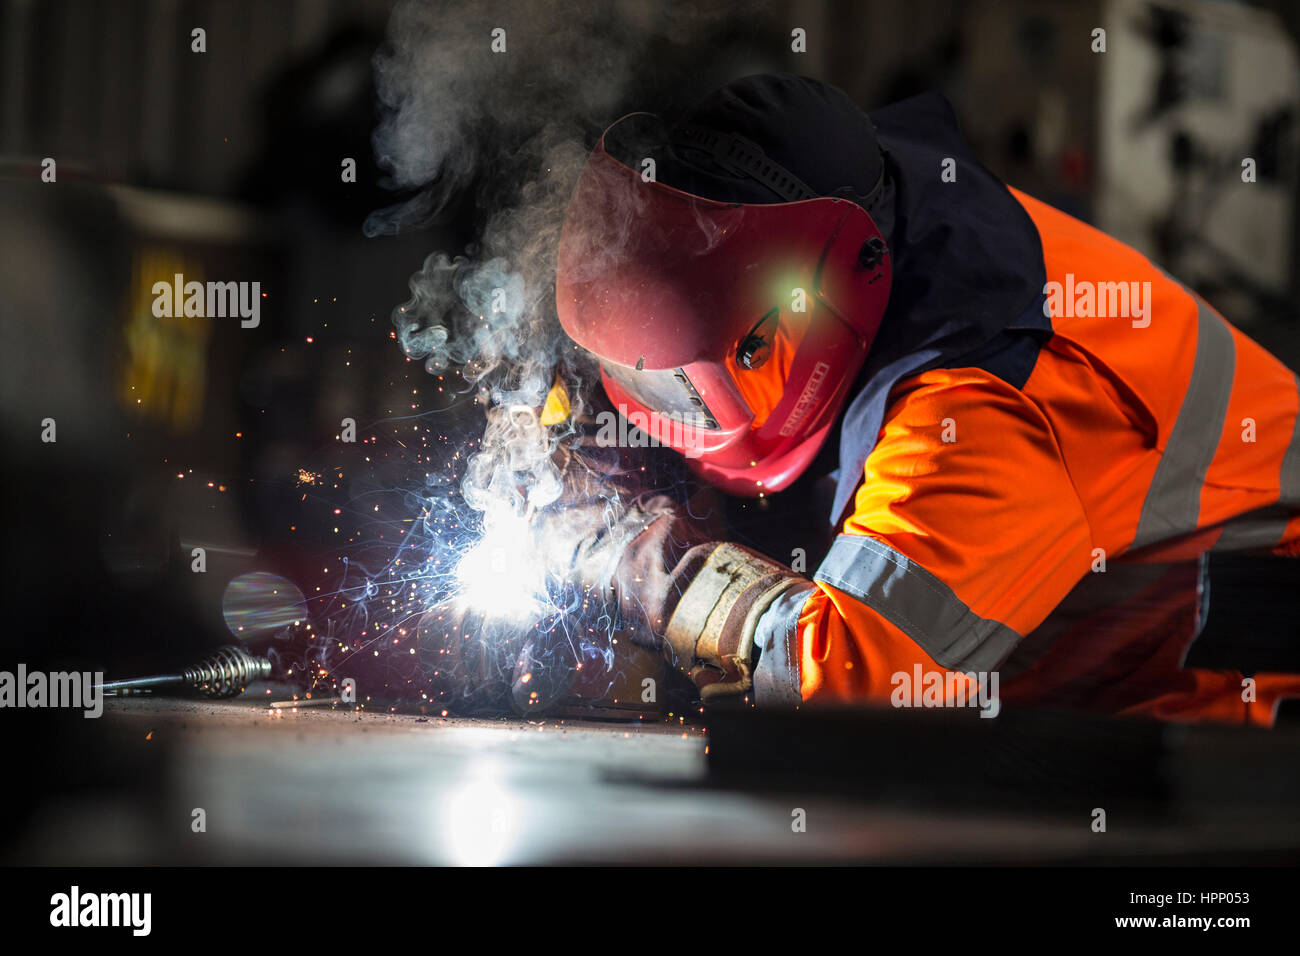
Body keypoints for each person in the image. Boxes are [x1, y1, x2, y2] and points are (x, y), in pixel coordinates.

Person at [547, 73, 1300, 726]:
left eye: (677, 391)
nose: (657, 411)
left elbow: (847, 682)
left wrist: (648, 572)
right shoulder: (857, 204)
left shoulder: (980, 403)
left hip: (1241, 741)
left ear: (805, 309)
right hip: (1081, 694)